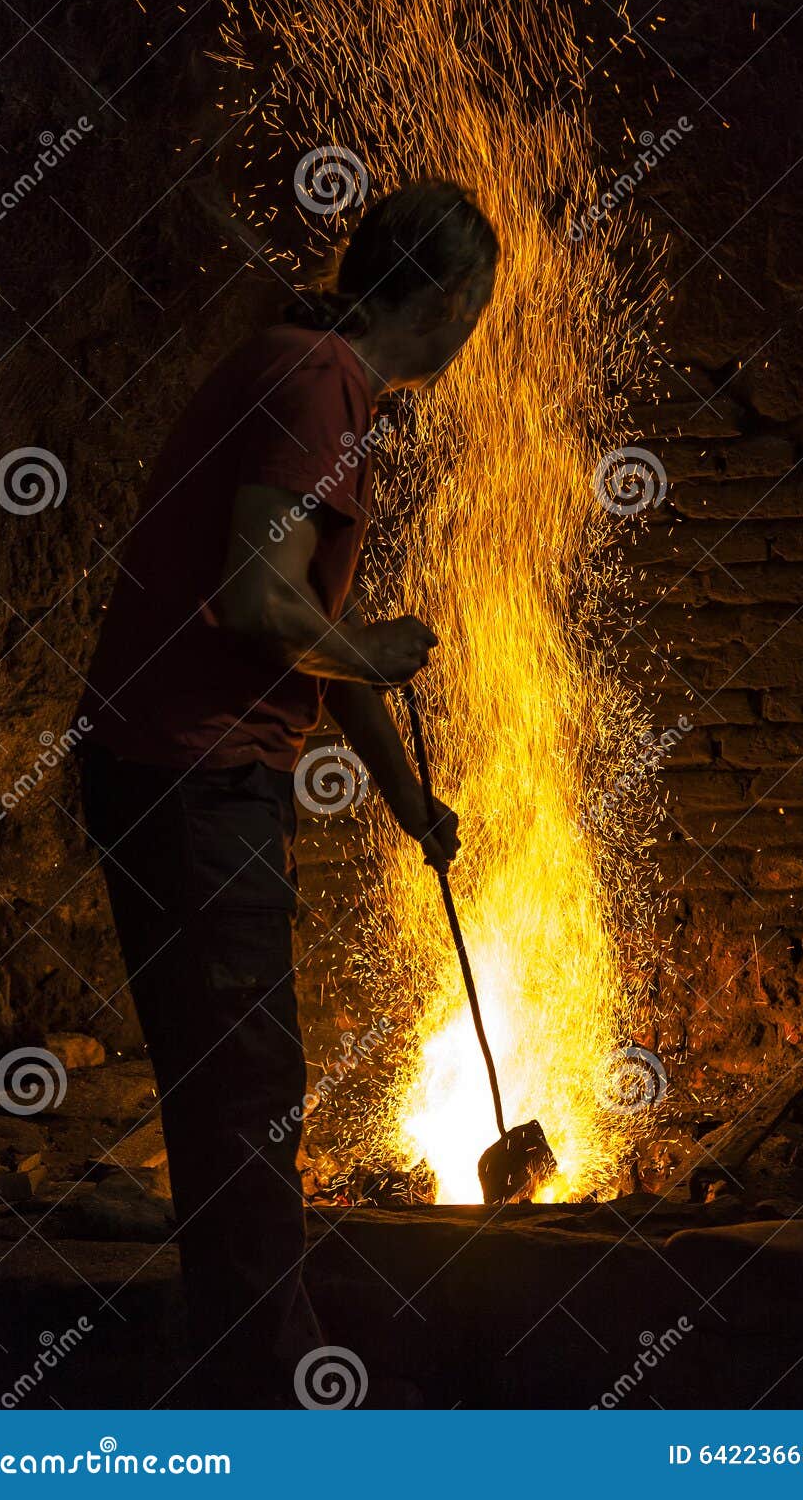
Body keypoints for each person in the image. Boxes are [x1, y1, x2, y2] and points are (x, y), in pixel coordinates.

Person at [77, 178, 499, 1406]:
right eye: (479, 304)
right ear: (447, 296)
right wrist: (364, 648)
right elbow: (259, 603)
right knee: (248, 1098)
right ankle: (272, 1404)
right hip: (193, 777)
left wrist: (407, 798)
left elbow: (305, 622)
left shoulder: (312, 375)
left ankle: (233, 1370)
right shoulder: (317, 382)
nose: (479, 328)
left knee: (225, 1095)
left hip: (179, 770)